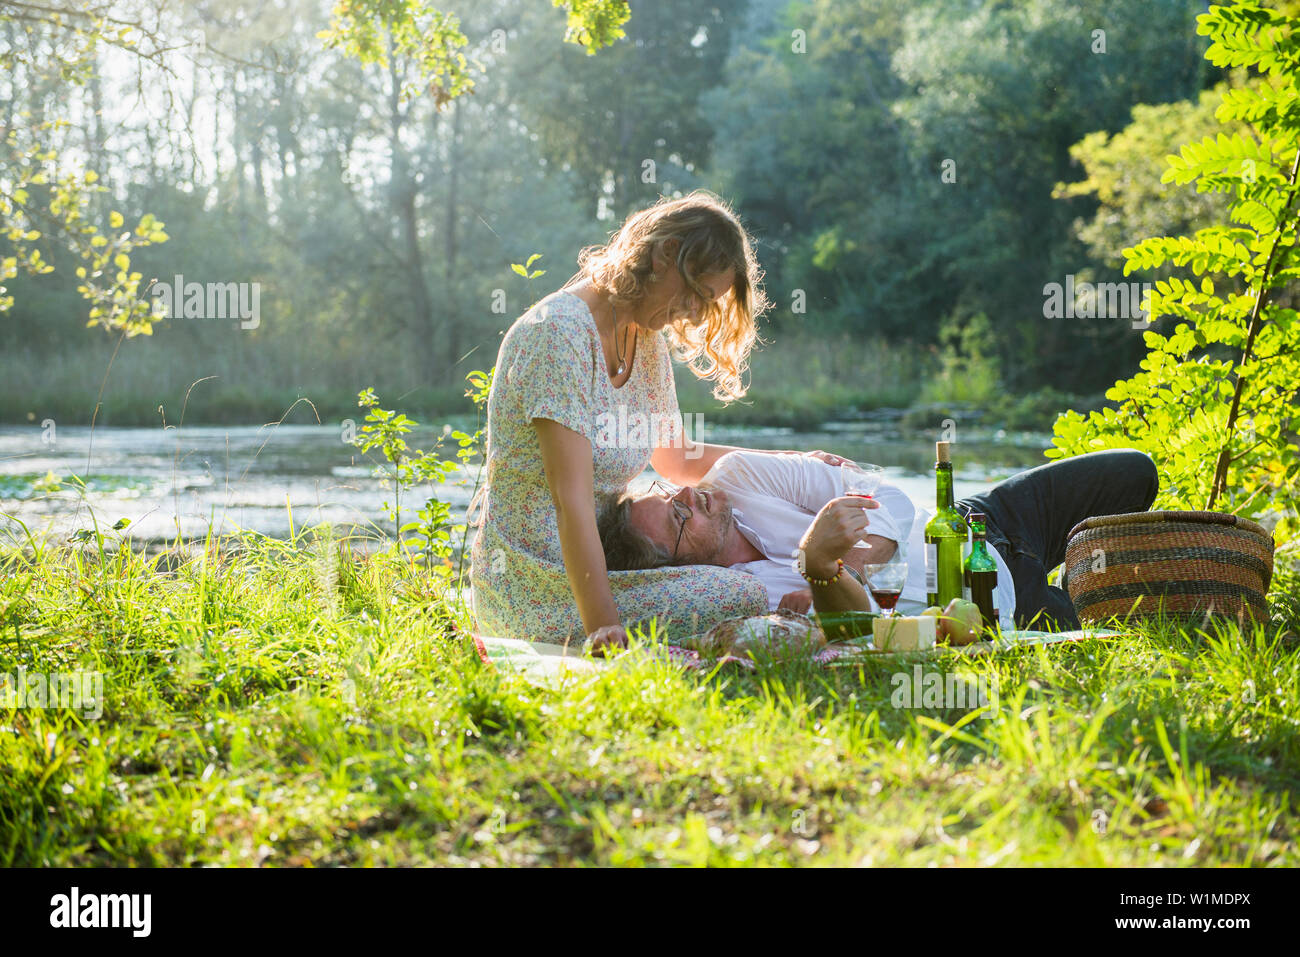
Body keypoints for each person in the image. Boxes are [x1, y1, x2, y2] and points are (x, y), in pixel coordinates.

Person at [468, 191, 853, 651]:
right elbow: (569, 500)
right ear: (664, 253)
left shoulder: (644, 339)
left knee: (734, 585)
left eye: (705, 303)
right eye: (695, 294)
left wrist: (791, 457)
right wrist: (603, 630)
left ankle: (821, 614)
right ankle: (814, 624)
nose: (693, 313)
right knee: (734, 592)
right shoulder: (558, 333)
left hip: (606, 567)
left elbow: (677, 459)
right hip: (535, 583)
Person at [598, 447, 1160, 633]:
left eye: (669, 493)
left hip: (984, 521)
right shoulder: (741, 598)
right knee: (1151, 608)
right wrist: (835, 571)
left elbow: (881, 491)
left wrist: (865, 557)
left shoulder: (740, 475)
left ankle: (1093, 566)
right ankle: (1094, 585)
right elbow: (860, 623)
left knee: (1134, 472)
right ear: (676, 566)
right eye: (675, 521)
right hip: (997, 605)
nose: (686, 499)